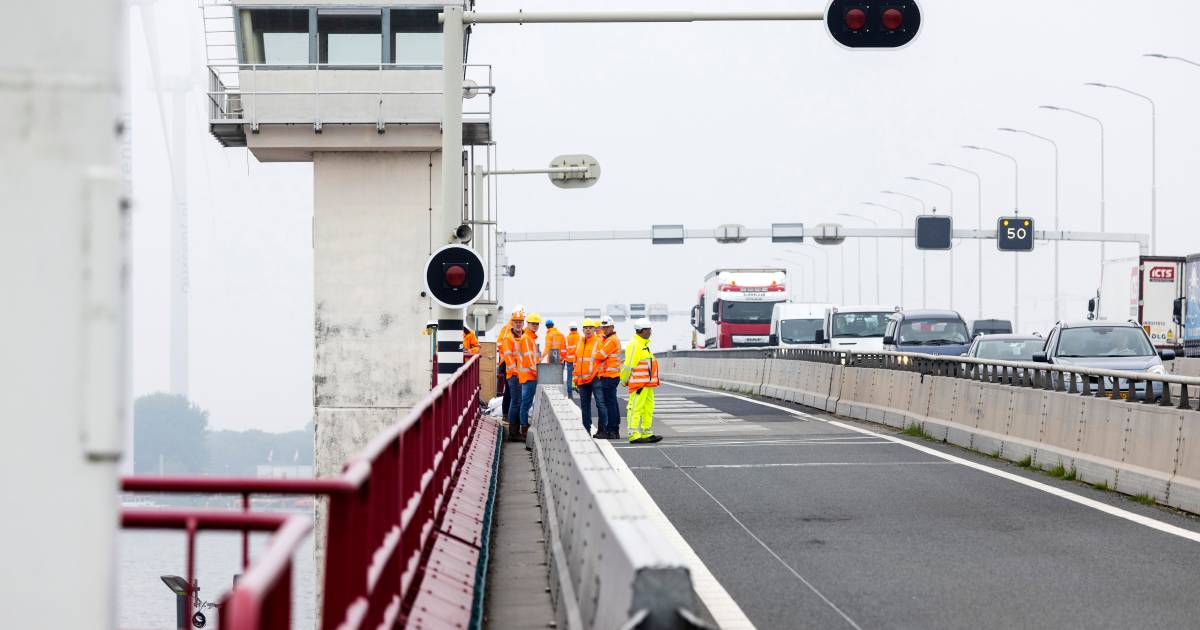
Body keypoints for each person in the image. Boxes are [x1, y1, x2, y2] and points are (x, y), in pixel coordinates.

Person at [621, 319, 663, 444]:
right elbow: (628, 365)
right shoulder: (635, 345)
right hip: (639, 384)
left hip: (647, 384)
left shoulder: (643, 345)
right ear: (641, 331)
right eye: (648, 330)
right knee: (635, 408)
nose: (650, 332)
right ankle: (633, 434)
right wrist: (624, 380)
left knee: (648, 408)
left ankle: (646, 432)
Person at [592, 316, 623, 440]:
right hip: (611, 375)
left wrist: (593, 354)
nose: (605, 330)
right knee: (612, 403)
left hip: (610, 376)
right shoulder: (610, 339)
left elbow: (601, 355)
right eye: (604, 327)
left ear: (612, 327)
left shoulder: (611, 340)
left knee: (610, 404)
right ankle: (614, 430)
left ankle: (612, 430)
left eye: (607, 327)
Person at [573, 320, 606, 435]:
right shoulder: (579, 342)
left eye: (590, 327)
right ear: (582, 330)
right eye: (585, 327)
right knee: (584, 405)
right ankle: (586, 429)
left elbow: (604, 358)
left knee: (600, 404)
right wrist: (575, 379)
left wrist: (600, 373)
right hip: (582, 380)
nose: (588, 329)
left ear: (594, 329)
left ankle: (602, 430)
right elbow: (576, 362)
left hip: (595, 378)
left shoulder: (599, 341)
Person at [499, 309, 527, 440]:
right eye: (516, 322)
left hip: (523, 375)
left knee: (519, 401)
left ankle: (517, 429)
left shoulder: (524, 337)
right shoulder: (508, 339)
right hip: (514, 375)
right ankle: (513, 432)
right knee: (516, 402)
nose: (518, 324)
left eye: (520, 322)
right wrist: (516, 372)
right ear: (512, 322)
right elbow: (509, 358)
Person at [516, 316, 540, 435]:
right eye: (533, 323)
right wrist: (538, 373)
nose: (535, 325)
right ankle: (524, 426)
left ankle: (524, 424)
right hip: (529, 376)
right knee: (526, 402)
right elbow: (529, 360)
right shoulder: (526, 338)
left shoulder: (530, 338)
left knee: (527, 402)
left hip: (530, 375)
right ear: (528, 324)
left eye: (537, 324)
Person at [564, 322, 581, 399]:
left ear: (570, 329)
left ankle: (570, 394)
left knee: (569, 376)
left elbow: (565, 349)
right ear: (576, 328)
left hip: (569, 360)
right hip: (577, 360)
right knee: (579, 375)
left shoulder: (567, 338)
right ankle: (580, 391)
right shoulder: (580, 337)